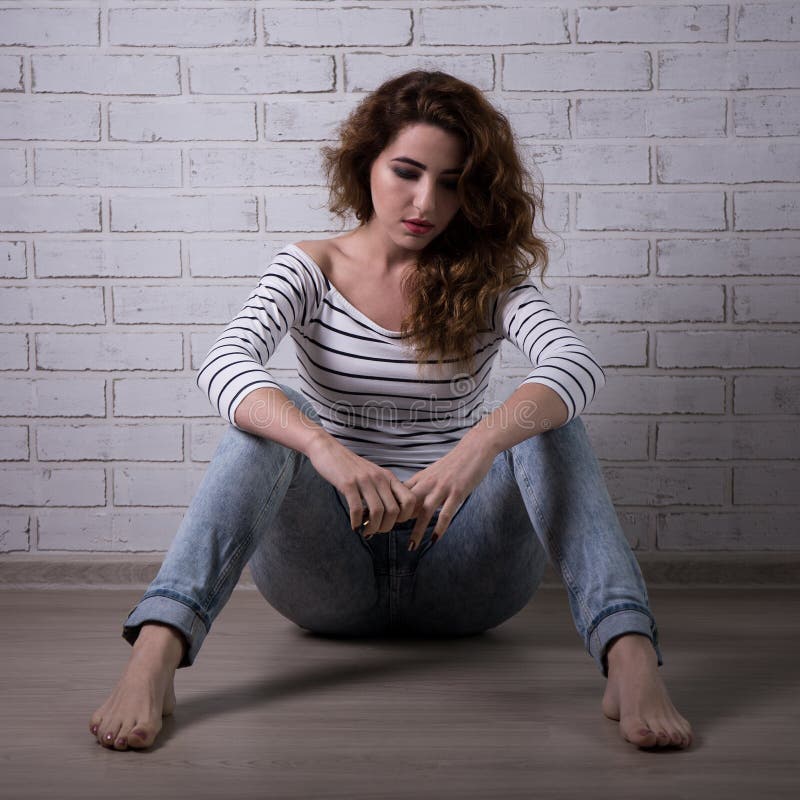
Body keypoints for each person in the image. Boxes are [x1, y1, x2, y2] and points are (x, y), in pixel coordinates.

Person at [89, 70, 692, 752]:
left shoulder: (488, 279)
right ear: (366, 163)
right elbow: (222, 361)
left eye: (452, 181)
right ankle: (158, 650)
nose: (424, 201)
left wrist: (479, 446)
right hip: (328, 575)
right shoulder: (310, 266)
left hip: (465, 573)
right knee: (266, 414)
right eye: (406, 171)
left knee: (548, 421)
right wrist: (323, 447)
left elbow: (575, 363)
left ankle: (629, 654)